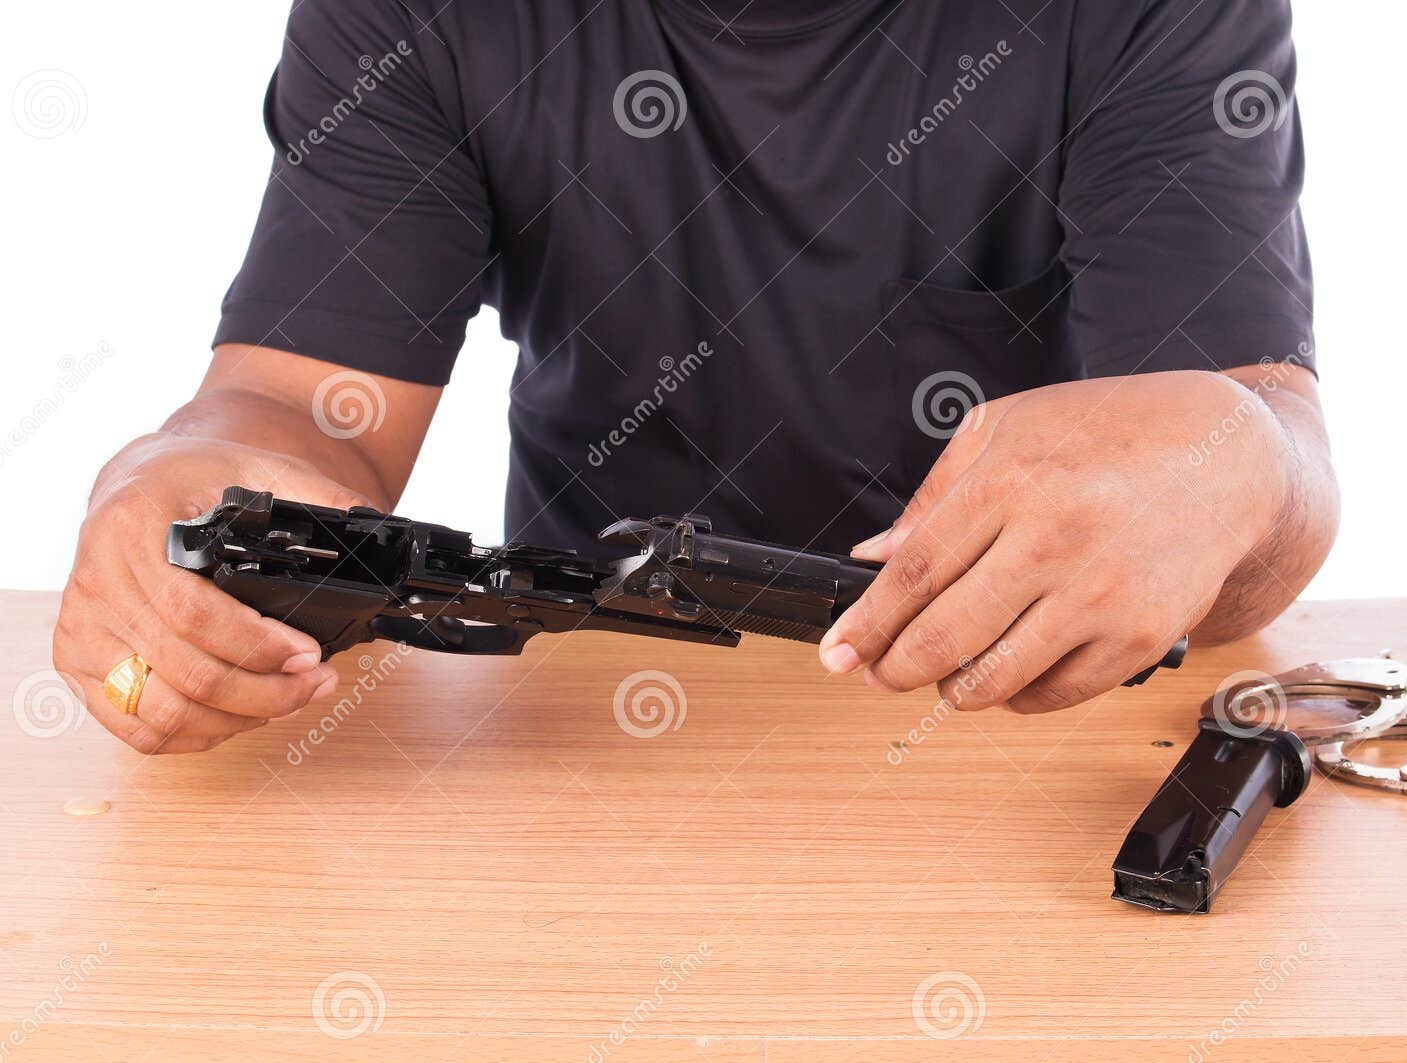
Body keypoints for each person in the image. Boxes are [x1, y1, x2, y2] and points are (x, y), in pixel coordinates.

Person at [55, 0, 1337, 754]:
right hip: (586, 741)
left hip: (1021, 739)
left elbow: (1253, 456)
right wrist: (161, 491)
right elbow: (289, 412)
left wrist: (1236, 459)